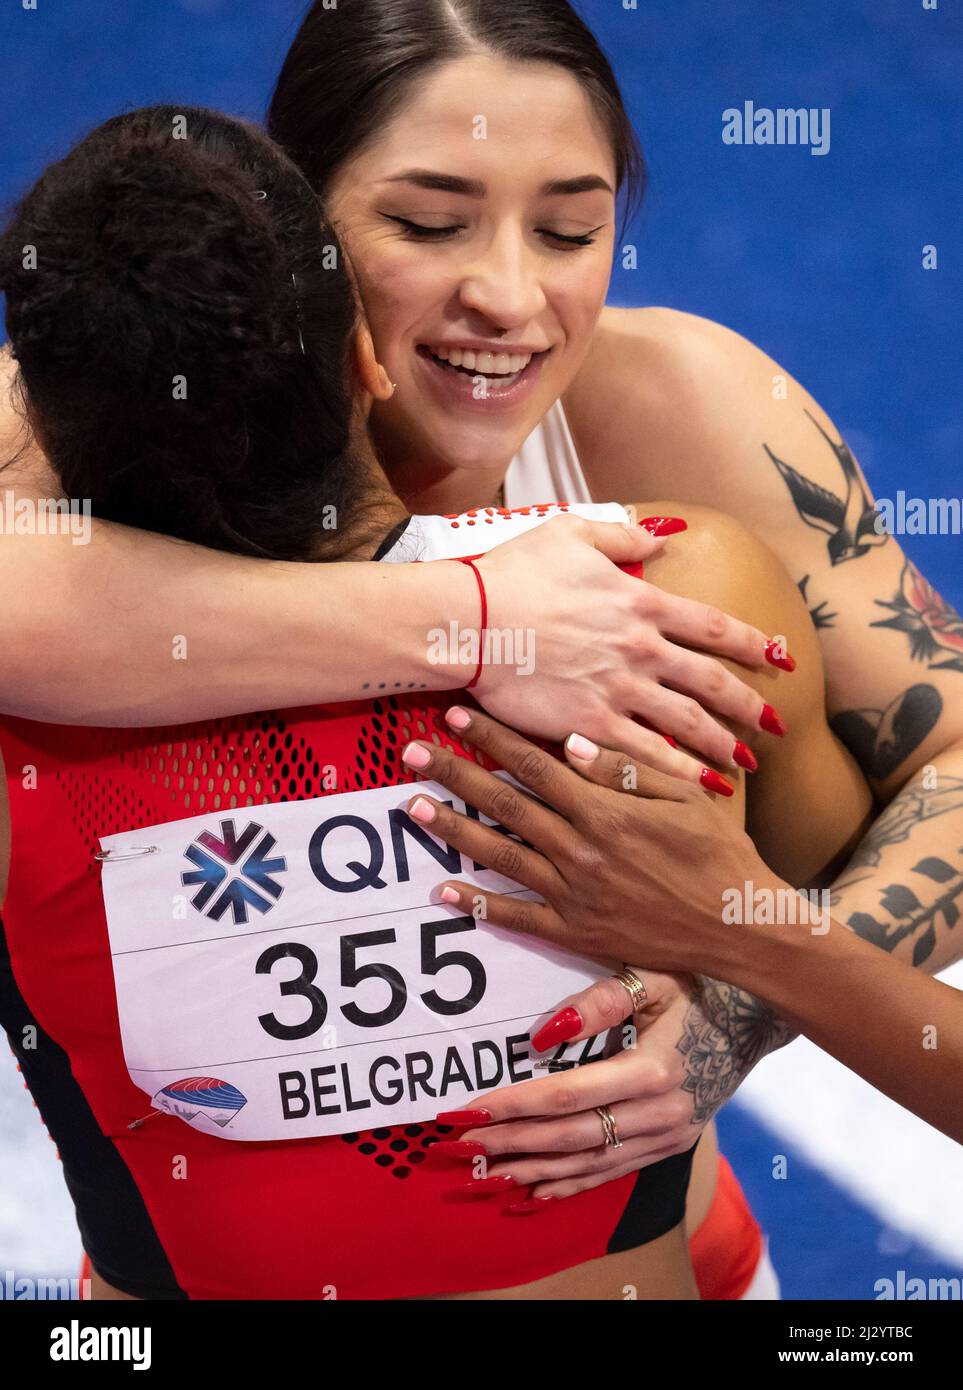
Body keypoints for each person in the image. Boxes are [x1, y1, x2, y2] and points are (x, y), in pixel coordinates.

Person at [3, 0, 961, 1286]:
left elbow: (946, 761)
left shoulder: (691, 411)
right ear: (302, 234)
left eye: (571, 229)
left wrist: (741, 1000)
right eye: (427, 223)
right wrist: (487, 620)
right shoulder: (92, 404)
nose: (510, 297)